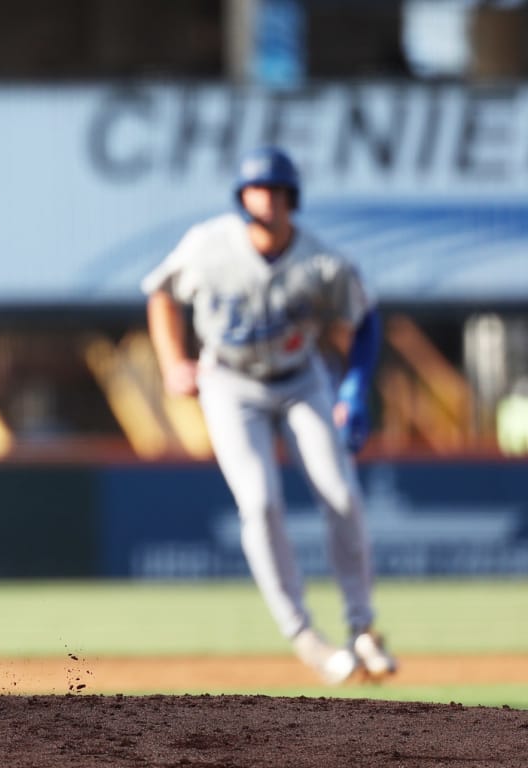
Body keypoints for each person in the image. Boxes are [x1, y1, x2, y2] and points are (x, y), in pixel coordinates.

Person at [142, 146, 399, 686]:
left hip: (302, 378)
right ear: (242, 198)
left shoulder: (319, 261)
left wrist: (353, 386)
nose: (267, 200)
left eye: (277, 191)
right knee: (259, 503)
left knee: (342, 492)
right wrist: (172, 362)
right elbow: (161, 294)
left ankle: (363, 627)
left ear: (291, 200)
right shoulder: (210, 245)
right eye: (258, 190)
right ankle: (305, 637)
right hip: (229, 382)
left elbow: (365, 316)